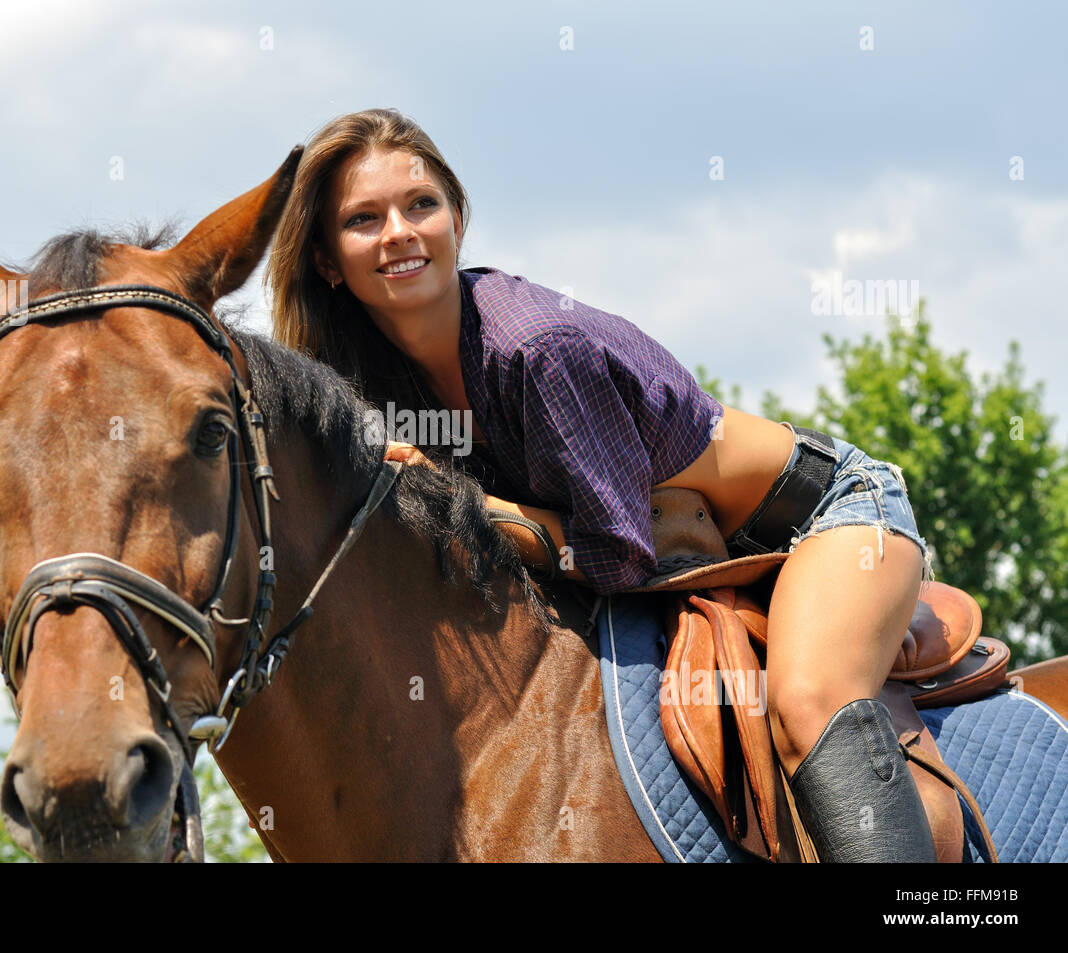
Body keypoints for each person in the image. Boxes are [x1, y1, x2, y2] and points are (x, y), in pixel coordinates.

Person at [264, 107, 939, 862]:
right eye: (364, 218)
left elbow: (619, 557)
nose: (399, 231)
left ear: (456, 218)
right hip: (684, 558)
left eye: (421, 204)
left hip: (821, 518)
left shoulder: (534, 349)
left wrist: (452, 496)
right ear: (327, 259)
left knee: (808, 700)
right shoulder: (369, 386)